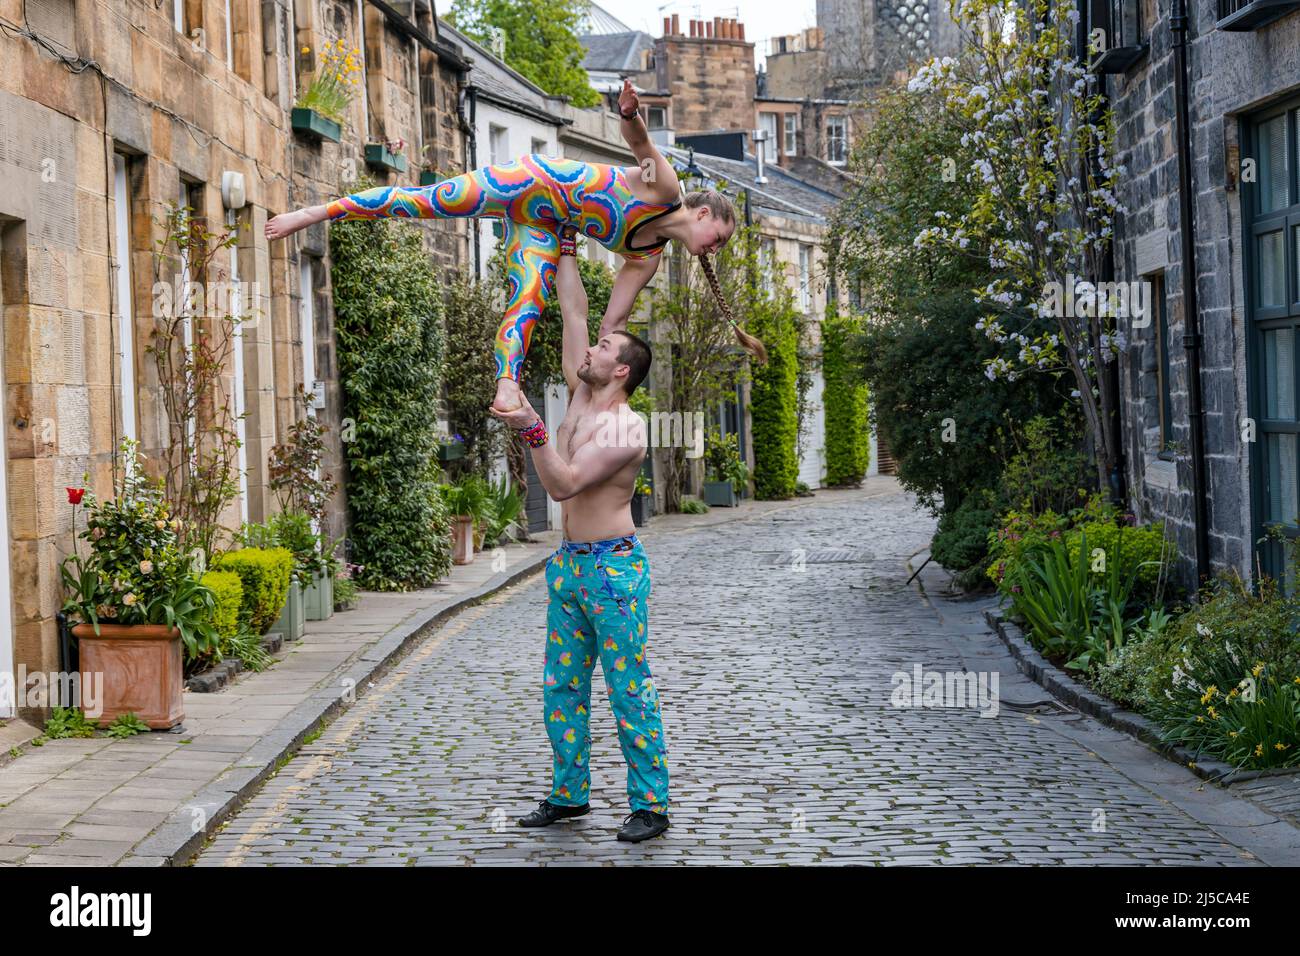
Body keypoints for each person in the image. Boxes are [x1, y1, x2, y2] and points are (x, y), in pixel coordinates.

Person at [265, 79, 765, 415]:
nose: (712, 250)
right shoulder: (665, 189)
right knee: (427, 201)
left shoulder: (647, 258)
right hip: (530, 182)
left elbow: (606, 330)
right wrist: (630, 113)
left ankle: (508, 382)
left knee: (528, 296)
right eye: (717, 238)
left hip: (546, 227)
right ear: (703, 214)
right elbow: (639, 146)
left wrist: (596, 394)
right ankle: (316, 212)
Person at [491, 225, 669, 843]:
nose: (588, 349)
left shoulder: (626, 431)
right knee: (562, 687)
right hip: (568, 566)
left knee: (628, 689)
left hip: (614, 571)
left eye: (601, 348)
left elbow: (564, 486)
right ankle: (570, 796)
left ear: (620, 370)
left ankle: (650, 804)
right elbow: (572, 307)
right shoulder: (579, 392)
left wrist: (531, 426)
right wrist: (566, 248)